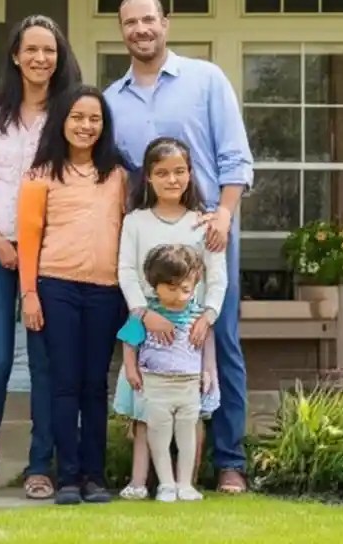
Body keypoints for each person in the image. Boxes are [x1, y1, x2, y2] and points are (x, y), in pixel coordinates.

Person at [103, 0, 255, 494]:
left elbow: (236, 158)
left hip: (204, 233)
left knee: (218, 339)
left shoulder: (206, 80)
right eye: (130, 22)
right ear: (121, 30)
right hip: (143, 239)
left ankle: (229, 461)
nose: (141, 29)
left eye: (149, 19)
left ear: (165, 24)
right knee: (143, 342)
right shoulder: (109, 100)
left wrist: (226, 215)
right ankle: (144, 468)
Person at [0, 15, 82, 500]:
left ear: (59, 57)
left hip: (50, 249)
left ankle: (39, 466)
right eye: (31, 49)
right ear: (15, 55)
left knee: (43, 362)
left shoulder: (69, 111)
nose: (40, 58)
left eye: (48, 50)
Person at [15, 85, 129, 506]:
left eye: (94, 119)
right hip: (55, 287)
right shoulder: (41, 173)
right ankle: (66, 478)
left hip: (104, 292)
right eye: (78, 117)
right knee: (63, 385)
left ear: (104, 125)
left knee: (94, 385)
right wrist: (29, 293)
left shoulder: (118, 175)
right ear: (62, 121)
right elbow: (28, 238)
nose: (86, 126)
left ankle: (94, 477)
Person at [112, 136, 225, 500]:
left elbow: (216, 276)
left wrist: (207, 317)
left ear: (190, 174)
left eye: (179, 172)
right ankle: (141, 481)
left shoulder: (202, 223)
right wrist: (143, 315)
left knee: (192, 411)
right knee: (146, 411)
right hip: (148, 325)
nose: (172, 180)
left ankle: (185, 482)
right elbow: (126, 271)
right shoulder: (136, 221)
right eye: (162, 173)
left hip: (193, 329)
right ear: (148, 177)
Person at [118, 243, 219, 503]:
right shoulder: (146, 314)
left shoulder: (198, 314)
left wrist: (208, 372)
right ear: (155, 284)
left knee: (187, 437)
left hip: (189, 386)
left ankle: (185, 483)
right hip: (155, 385)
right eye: (171, 288)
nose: (179, 296)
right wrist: (131, 369)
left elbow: (208, 343)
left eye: (186, 289)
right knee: (158, 437)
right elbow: (129, 342)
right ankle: (166, 484)